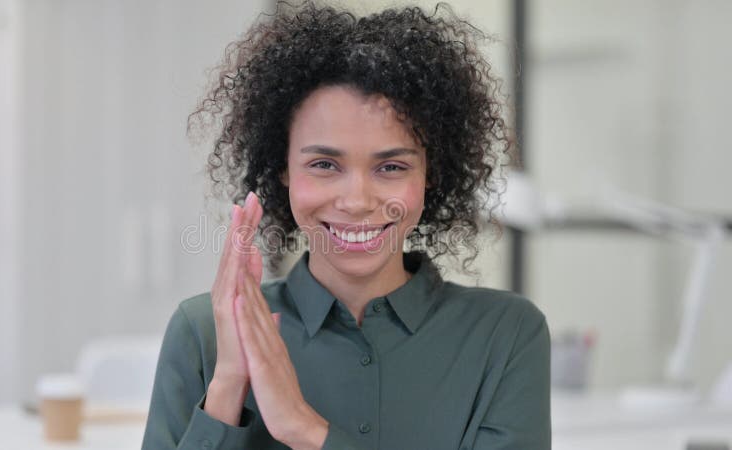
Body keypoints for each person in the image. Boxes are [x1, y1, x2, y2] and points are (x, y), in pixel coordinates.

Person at [142, 2, 550, 449]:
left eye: (391, 167)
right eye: (324, 164)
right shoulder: (203, 331)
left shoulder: (505, 333)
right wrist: (227, 388)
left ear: (430, 174)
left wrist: (304, 428)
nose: (357, 201)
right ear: (283, 170)